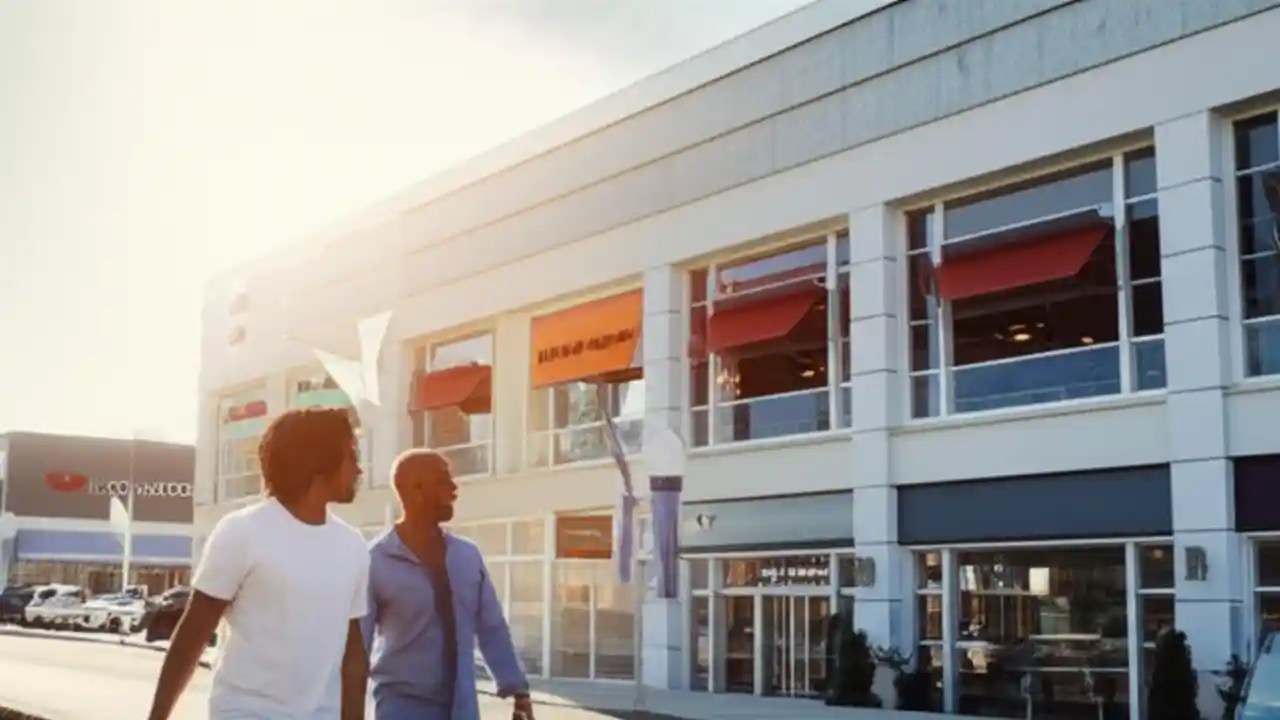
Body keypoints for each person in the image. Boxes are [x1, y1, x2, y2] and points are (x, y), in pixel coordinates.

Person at [147, 408, 371, 720]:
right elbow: (193, 632)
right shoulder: (243, 530)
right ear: (319, 463)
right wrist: (158, 716)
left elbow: (354, 653)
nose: (359, 469)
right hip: (247, 712)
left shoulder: (353, 545)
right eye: (351, 455)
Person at [362, 449, 533, 720]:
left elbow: (491, 627)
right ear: (416, 490)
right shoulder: (374, 561)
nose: (454, 488)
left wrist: (518, 690)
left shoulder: (467, 555)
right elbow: (358, 646)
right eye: (443, 481)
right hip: (401, 708)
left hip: (461, 708)